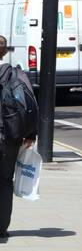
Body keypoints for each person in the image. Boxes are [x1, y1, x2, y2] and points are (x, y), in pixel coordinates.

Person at [0, 35, 39, 240]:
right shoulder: (15, 75)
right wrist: (30, 134)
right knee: (5, 180)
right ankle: (1, 228)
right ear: (5, 52)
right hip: (10, 136)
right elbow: (29, 105)